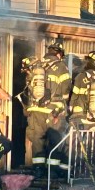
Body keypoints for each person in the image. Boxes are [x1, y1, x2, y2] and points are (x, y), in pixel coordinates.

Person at [24, 43, 70, 176]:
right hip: (53, 110)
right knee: (54, 138)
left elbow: (29, 87)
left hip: (36, 109)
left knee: (38, 139)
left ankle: (38, 169)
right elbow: (66, 88)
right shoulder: (61, 66)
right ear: (58, 54)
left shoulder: (38, 65)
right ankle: (52, 170)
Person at [68, 50, 95, 131]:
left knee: (76, 142)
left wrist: (70, 109)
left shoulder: (80, 77)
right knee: (94, 143)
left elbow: (74, 96)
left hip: (80, 117)